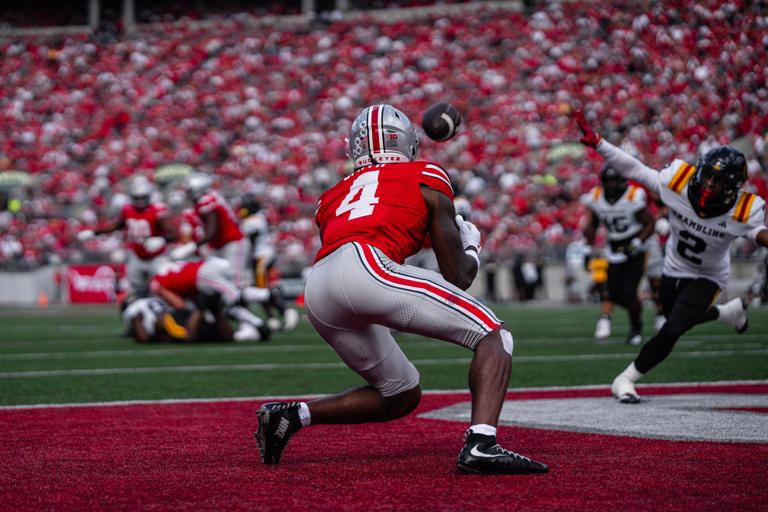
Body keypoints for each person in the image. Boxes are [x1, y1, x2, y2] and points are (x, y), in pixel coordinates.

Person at [254, 104, 548, 475]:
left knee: (400, 393)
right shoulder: (427, 172)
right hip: (368, 267)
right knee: (494, 336)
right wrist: (471, 245)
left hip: (321, 284)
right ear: (408, 143)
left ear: (355, 148)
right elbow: (458, 274)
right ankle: (482, 444)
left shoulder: (331, 195)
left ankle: (292, 416)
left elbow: (364, 232)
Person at [575, 109, 768, 403]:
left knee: (673, 326)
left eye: (718, 183)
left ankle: (625, 378)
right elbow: (635, 170)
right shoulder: (677, 180)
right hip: (673, 267)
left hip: (708, 275)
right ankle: (726, 312)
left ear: (732, 189)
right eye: (707, 177)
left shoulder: (744, 210)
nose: (708, 186)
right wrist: (599, 143)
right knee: (678, 316)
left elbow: (762, 235)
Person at [582, 164, 655, 344]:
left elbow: (649, 223)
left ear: (622, 181)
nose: (611, 185)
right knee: (612, 291)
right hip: (614, 247)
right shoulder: (597, 197)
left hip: (635, 247)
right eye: (608, 181)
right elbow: (592, 225)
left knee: (629, 293)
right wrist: (588, 250)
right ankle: (607, 319)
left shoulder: (633, 196)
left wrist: (637, 242)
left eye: (615, 181)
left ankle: (636, 328)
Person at [77, 175, 175, 297]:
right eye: (136, 197)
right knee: (137, 292)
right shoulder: (128, 209)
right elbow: (116, 226)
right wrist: (94, 232)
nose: (139, 201)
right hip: (137, 256)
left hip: (156, 257)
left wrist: (161, 239)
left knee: (160, 290)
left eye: (142, 197)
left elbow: (174, 233)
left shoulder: (157, 210)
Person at [149, 257, 272, 342]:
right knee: (225, 304)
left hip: (203, 275)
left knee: (233, 299)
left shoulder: (156, 282)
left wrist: (198, 309)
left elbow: (179, 304)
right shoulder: (175, 269)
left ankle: (267, 295)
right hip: (209, 266)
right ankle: (258, 324)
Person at [170, 173, 250, 288]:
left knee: (233, 280)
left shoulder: (206, 200)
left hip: (232, 243)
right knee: (218, 278)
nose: (187, 192)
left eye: (189, 189)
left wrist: (190, 247)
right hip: (220, 245)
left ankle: (245, 303)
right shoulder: (206, 199)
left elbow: (211, 232)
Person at [239, 193, 299, 331]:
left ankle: (285, 312)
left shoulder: (252, 221)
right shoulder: (258, 218)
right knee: (260, 289)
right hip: (263, 255)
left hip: (261, 257)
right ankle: (272, 317)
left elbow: (248, 242)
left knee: (261, 290)